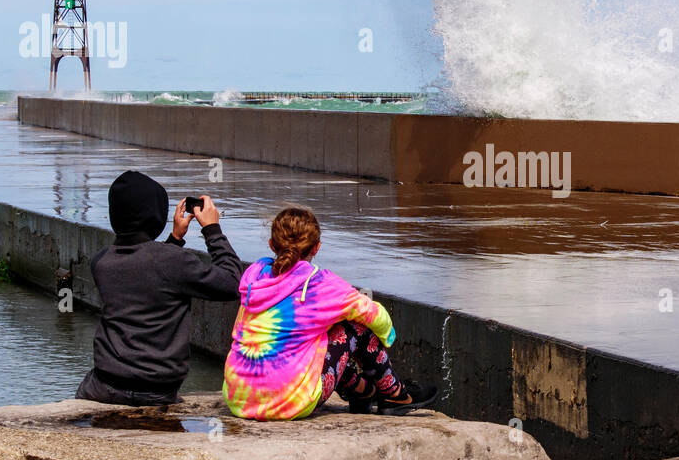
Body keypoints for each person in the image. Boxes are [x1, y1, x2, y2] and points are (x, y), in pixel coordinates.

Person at [223, 205, 437, 420]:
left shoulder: (255, 277)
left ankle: (363, 391)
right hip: (289, 402)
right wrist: (387, 336)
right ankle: (394, 394)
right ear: (316, 247)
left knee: (312, 339)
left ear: (271, 244)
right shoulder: (320, 284)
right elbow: (376, 316)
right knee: (355, 327)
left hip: (239, 398)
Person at [75, 170, 244, 407]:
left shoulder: (102, 261)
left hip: (103, 385)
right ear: (156, 217)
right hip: (156, 391)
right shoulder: (173, 261)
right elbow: (232, 284)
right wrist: (212, 230)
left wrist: (175, 239)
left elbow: (147, 272)